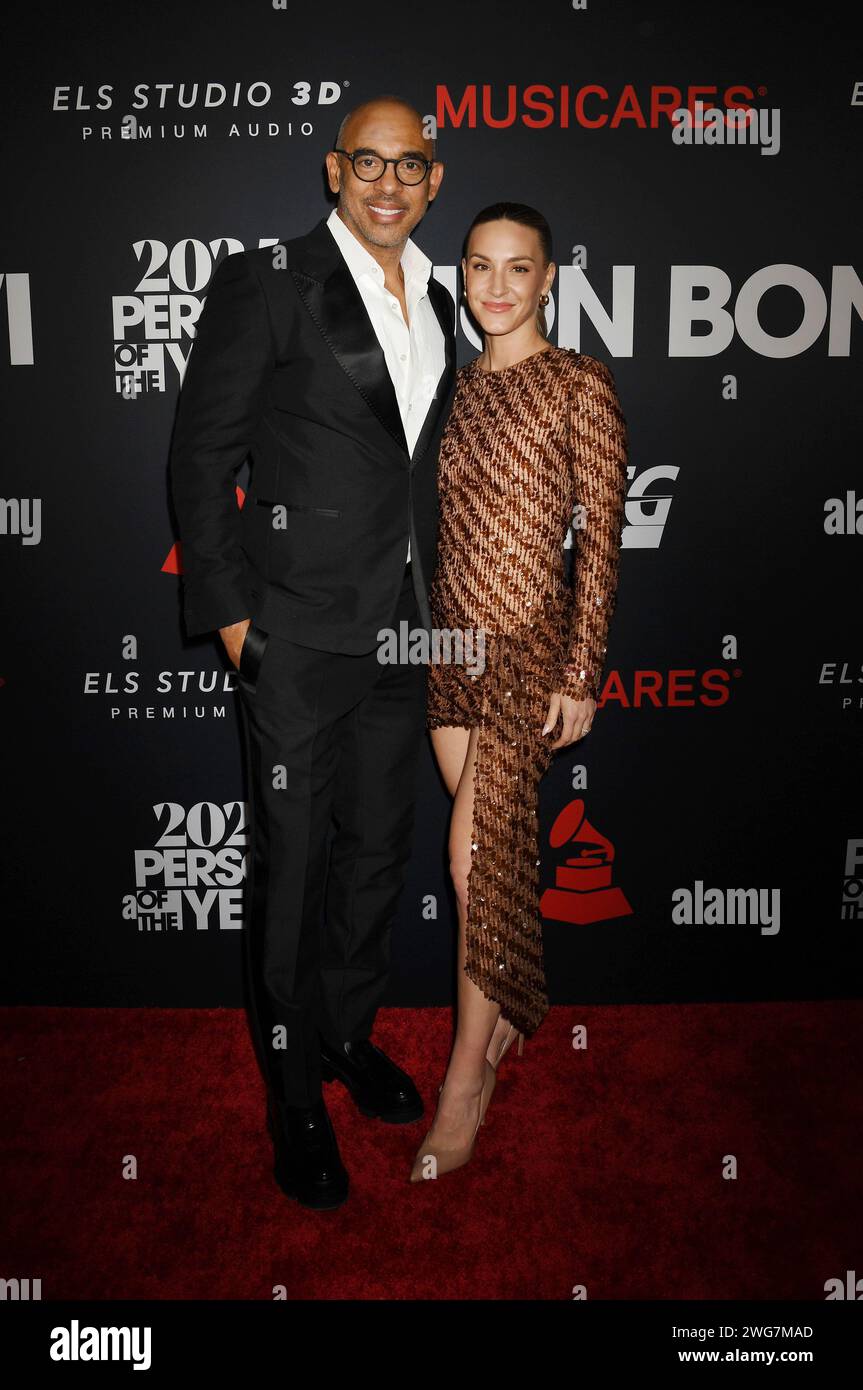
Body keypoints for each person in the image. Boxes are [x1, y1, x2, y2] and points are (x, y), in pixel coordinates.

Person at [170, 95, 457, 1209]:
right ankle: (291, 1093)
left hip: (407, 632)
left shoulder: (439, 296)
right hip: (294, 635)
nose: (389, 182)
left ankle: (342, 1036)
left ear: (434, 180)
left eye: (411, 165)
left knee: (378, 853)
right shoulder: (268, 283)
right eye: (369, 162)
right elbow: (202, 455)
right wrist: (238, 619)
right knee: (291, 876)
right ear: (334, 170)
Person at [410, 202, 628, 1183]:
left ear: (548, 278)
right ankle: (502, 1026)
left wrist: (580, 670)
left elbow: (603, 539)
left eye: (517, 268)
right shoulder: (447, 390)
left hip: (528, 652)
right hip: (445, 647)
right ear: (461, 276)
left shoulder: (577, 382)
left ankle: (465, 1082)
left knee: (469, 868)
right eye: (479, 266)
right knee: (493, 871)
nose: (496, 286)